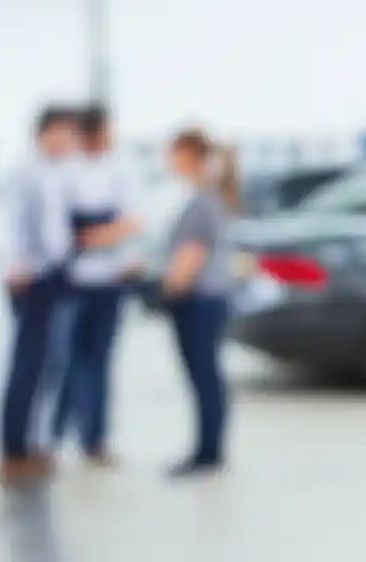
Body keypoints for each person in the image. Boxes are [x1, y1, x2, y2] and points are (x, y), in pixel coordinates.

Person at [52, 104, 142, 466]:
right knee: (65, 361)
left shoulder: (121, 168)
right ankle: (53, 437)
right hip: (71, 280)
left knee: (100, 361)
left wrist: (97, 236)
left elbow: (133, 220)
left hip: (109, 279)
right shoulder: (66, 168)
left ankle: (95, 439)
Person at [0, 106, 79, 487]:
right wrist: (18, 267)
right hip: (31, 276)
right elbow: (15, 224)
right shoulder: (25, 172)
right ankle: (14, 450)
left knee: (50, 366)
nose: (68, 141)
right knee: (27, 367)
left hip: (55, 273)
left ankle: (34, 443)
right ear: (45, 132)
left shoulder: (57, 172)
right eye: (62, 133)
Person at [160, 129, 238, 478]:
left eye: (173, 153)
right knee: (208, 377)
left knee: (204, 377)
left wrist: (166, 291)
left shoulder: (202, 201)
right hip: (210, 298)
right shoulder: (211, 197)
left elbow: (190, 257)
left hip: (199, 300)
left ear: (189, 155)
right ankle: (209, 450)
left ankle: (208, 453)